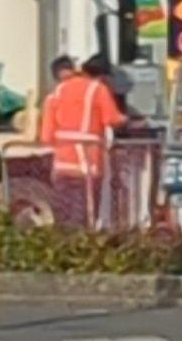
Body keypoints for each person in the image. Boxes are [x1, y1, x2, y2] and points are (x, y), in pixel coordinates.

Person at [39, 54, 123, 226]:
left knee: (64, 215)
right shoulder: (97, 89)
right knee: (85, 216)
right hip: (88, 164)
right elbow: (112, 119)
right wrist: (129, 120)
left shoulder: (55, 94)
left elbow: (46, 136)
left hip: (62, 166)